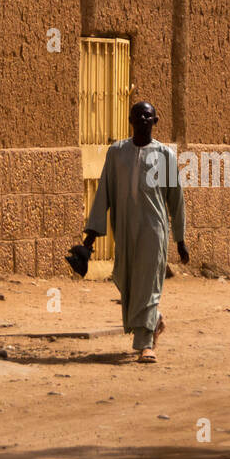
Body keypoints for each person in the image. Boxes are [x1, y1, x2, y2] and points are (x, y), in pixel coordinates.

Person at [75, 100, 188, 363]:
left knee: (148, 284)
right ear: (130, 120)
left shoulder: (165, 155)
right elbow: (104, 193)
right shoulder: (117, 153)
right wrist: (89, 238)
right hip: (124, 229)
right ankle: (154, 319)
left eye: (148, 116)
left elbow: (177, 200)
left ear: (156, 121)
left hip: (154, 228)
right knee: (128, 282)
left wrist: (180, 239)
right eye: (138, 116)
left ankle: (145, 343)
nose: (143, 120)